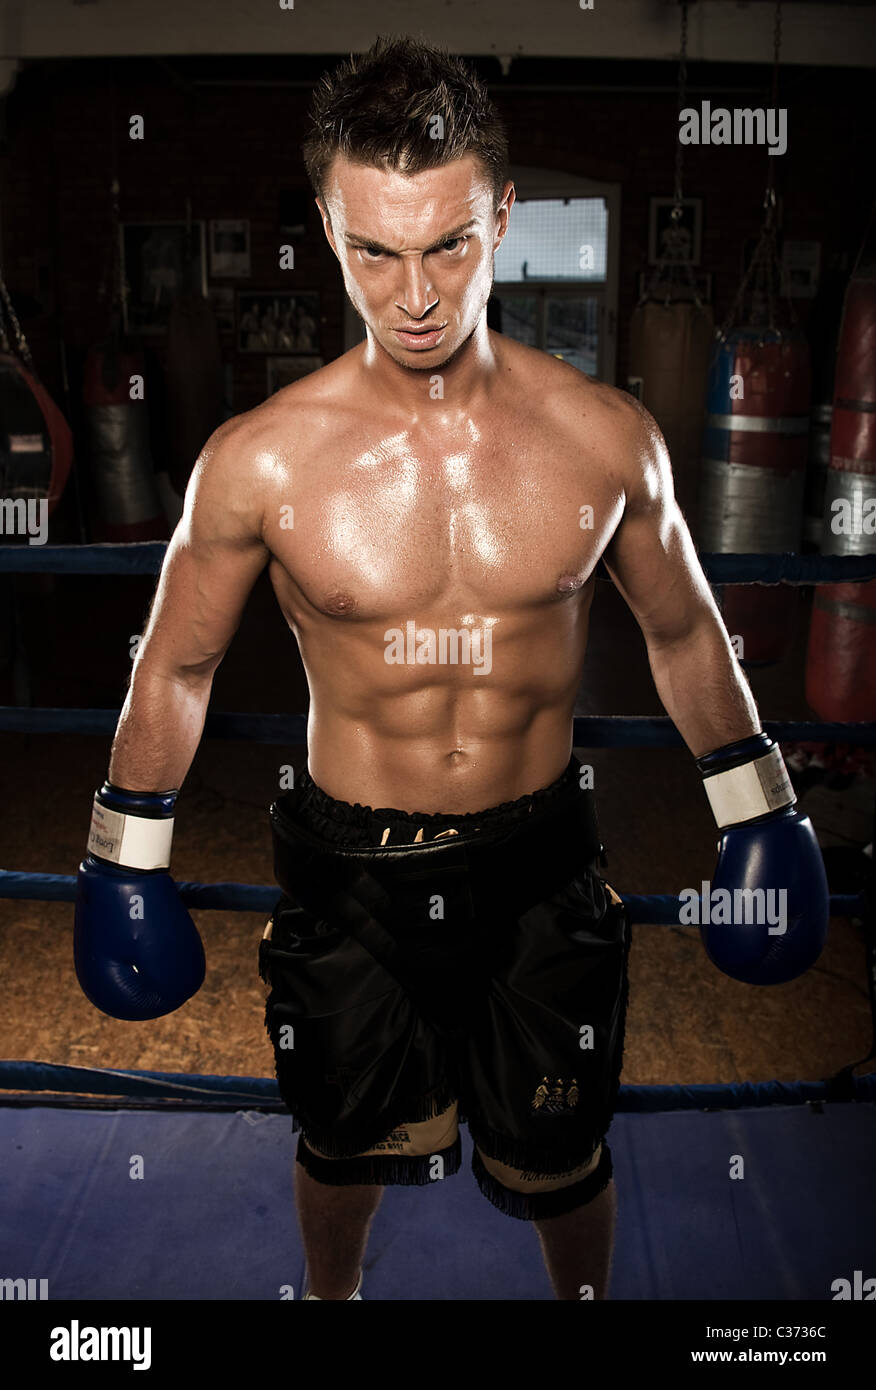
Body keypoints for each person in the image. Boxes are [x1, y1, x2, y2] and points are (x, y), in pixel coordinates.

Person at [73, 36, 828, 1301]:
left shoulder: (605, 441)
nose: (414, 293)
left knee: (561, 1150)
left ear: (503, 218)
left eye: (449, 245)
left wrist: (760, 806)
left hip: (541, 866)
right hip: (348, 866)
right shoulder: (259, 461)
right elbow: (181, 663)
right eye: (375, 250)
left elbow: (686, 630)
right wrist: (123, 851)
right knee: (346, 1137)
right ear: (327, 226)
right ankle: (332, 1302)